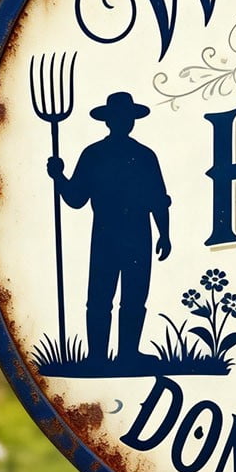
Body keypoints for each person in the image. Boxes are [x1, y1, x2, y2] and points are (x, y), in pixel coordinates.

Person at [48, 90, 171, 369]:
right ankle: (97, 357)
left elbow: (158, 199)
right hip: (106, 232)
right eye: (119, 117)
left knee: (134, 296)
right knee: (100, 297)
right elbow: (76, 198)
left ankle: (128, 354)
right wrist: (59, 177)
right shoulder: (94, 155)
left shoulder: (144, 156)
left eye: (127, 117)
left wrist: (164, 234)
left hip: (138, 233)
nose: (124, 121)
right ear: (109, 121)